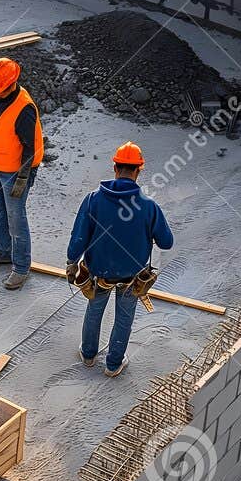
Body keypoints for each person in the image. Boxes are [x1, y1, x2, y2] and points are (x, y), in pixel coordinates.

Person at [65, 142, 174, 378]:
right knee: (124, 317)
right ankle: (113, 364)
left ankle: (88, 353)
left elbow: (79, 237)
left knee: (95, 309)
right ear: (138, 170)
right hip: (131, 276)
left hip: (98, 272)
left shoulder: (93, 200)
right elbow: (166, 242)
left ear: (115, 168)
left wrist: (71, 262)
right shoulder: (148, 207)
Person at [0, 56, 44, 290]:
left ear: (12, 83)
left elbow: (31, 148)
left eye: (1, 88)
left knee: (17, 220)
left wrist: (23, 178)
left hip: (14, 173)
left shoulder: (24, 108)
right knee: (2, 214)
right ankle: (2, 252)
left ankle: (21, 267)